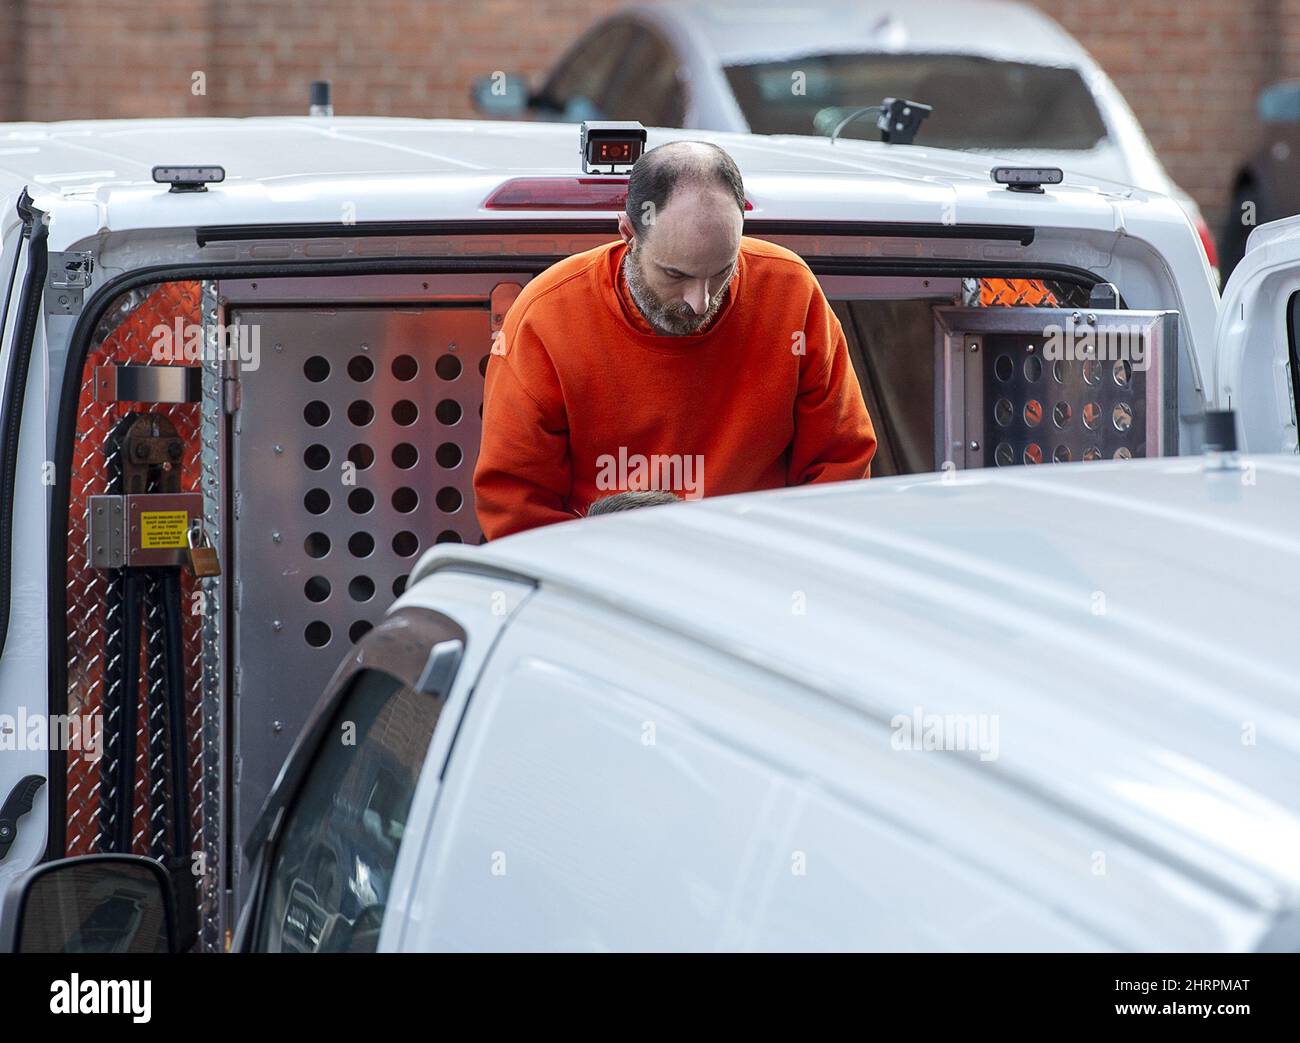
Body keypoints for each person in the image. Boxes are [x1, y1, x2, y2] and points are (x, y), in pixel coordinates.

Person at [473, 140, 876, 540]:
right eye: (676, 275)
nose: (700, 303)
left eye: (722, 271)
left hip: (757, 572)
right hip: (605, 578)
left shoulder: (791, 293)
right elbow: (517, 510)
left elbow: (839, 466)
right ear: (628, 234)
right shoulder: (546, 318)